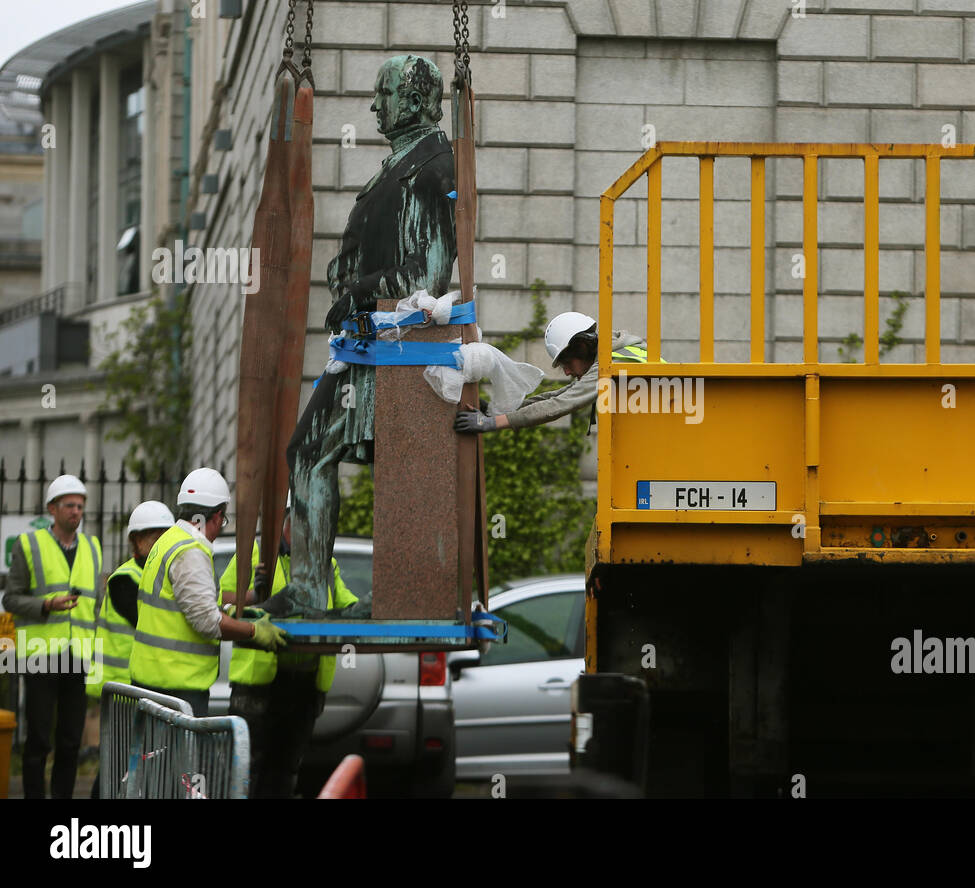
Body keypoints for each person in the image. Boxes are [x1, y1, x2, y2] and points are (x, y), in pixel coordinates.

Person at [283, 54, 457, 613]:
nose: (374, 105)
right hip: (367, 348)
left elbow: (424, 275)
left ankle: (400, 598)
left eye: (383, 93)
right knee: (311, 454)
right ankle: (314, 592)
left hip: (400, 349)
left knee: (391, 467)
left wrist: (356, 288)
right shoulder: (397, 167)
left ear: (411, 98)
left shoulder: (431, 169)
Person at [219, 502, 358, 798]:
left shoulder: (325, 565)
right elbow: (218, 599)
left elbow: (348, 606)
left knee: (285, 769)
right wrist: (253, 595)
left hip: (304, 684)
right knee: (248, 768)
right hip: (259, 684)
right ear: (289, 524)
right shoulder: (256, 553)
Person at [128, 467, 288, 716]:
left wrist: (249, 600)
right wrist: (254, 631)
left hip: (153, 681)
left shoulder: (169, 541)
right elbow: (207, 621)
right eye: (222, 522)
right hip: (177, 688)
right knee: (175, 757)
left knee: (154, 756)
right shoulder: (190, 552)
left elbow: (190, 603)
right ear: (215, 516)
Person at [2, 474, 102, 798]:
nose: (76, 512)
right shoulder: (28, 545)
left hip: (79, 654)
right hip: (40, 655)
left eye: (80, 506)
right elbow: (10, 599)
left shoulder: (93, 546)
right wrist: (46, 604)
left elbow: (96, 606)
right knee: (39, 740)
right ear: (52, 509)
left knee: (71, 740)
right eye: (69, 505)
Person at [87, 499, 173, 798]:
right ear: (136, 541)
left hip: (142, 684)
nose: (161, 542)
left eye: (166, 535)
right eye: (154, 536)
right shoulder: (125, 578)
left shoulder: (156, 577)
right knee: (117, 762)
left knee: (136, 760)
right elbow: (147, 619)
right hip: (121, 687)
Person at [453, 311, 649, 433]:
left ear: (581, 346)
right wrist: (496, 412)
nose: (566, 372)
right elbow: (560, 395)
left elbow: (559, 404)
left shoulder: (613, 363)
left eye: (567, 362)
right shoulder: (613, 355)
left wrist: (491, 424)